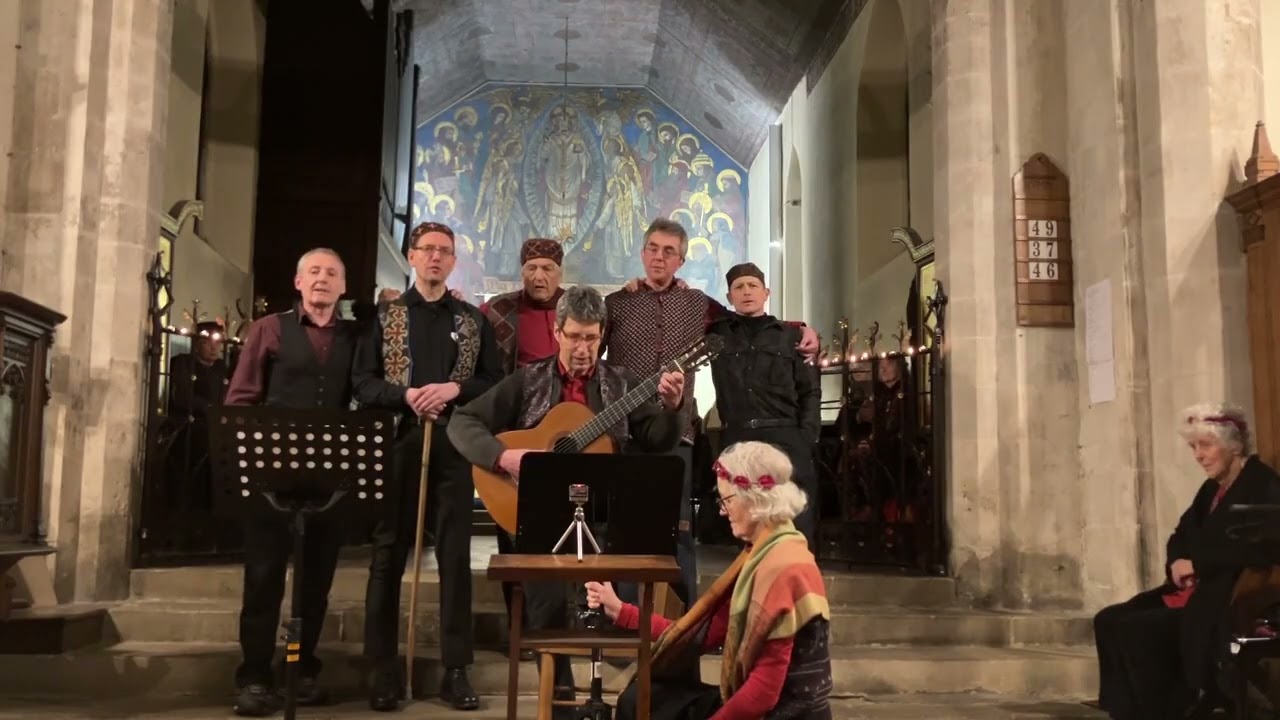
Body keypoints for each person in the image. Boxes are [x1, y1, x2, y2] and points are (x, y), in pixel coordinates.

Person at [448, 285, 686, 709]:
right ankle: (557, 704)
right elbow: (463, 421)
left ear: (602, 334)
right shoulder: (527, 380)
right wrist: (504, 457)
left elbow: (658, 441)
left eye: (592, 338)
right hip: (539, 520)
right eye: (574, 336)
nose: (583, 348)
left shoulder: (623, 383)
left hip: (607, 520)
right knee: (547, 615)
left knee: (619, 613)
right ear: (557, 332)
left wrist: (672, 408)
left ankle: (627, 704)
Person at [606, 218, 819, 608]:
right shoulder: (616, 303)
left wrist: (802, 328)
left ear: (681, 260)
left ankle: (685, 621)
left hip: (677, 431)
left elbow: (747, 319)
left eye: (669, 251)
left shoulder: (697, 304)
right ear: (642, 253)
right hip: (625, 431)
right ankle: (622, 618)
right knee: (625, 529)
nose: (659, 257)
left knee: (681, 529)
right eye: (653, 248)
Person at [352, 221, 504, 712]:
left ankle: (455, 669)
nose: (436, 257)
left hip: (454, 449)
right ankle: (381, 667)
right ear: (411, 257)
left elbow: (494, 382)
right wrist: (406, 395)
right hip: (400, 445)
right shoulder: (386, 317)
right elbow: (363, 383)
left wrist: (456, 389)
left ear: (453, 261)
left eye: (445, 251)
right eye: (427, 250)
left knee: (456, 558)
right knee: (387, 554)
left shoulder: (472, 321)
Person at [585, 441, 833, 720]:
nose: (722, 511)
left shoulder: (783, 566)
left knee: (645, 705)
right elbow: (703, 633)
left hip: (784, 715)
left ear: (753, 499)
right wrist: (621, 611)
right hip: (767, 706)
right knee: (643, 696)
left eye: (727, 500)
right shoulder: (763, 553)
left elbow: (763, 692)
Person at [223, 248, 358, 717]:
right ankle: (255, 676)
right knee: (262, 580)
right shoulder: (268, 330)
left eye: (332, 274)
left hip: (328, 483)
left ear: (344, 287)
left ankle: (300, 670)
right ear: (298, 282)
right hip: (270, 480)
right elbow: (240, 401)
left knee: (314, 585)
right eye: (314, 272)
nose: (323, 280)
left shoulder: (355, 337)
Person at [1092, 403, 1280, 719]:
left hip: (1228, 600)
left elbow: (1262, 549)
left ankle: (1166, 709)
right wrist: (1178, 560)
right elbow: (1181, 534)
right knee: (1108, 619)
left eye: (1205, 445)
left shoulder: (1263, 483)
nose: (1198, 455)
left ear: (1233, 445)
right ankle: (1123, 711)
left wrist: (1199, 564)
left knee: (1137, 629)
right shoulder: (1211, 489)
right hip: (1195, 591)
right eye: (1194, 446)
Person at [479, 237, 567, 639]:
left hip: (566, 435)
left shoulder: (575, 306)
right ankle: (520, 627)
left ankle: (555, 626)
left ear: (559, 272)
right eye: (531, 268)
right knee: (512, 535)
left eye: (547, 268)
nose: (539, 276)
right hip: (516, 433)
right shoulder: (498, 310)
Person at [706, 263, 821, 549]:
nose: (746, 292)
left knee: (794, 522)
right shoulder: (716, 335)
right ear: (729, 297)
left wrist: (805, 437)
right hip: (739, 438)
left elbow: (809, 390)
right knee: (746, 522)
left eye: (752, 286)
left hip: (786, 437)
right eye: (739, 287)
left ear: (766, 292)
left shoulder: (790, 336)